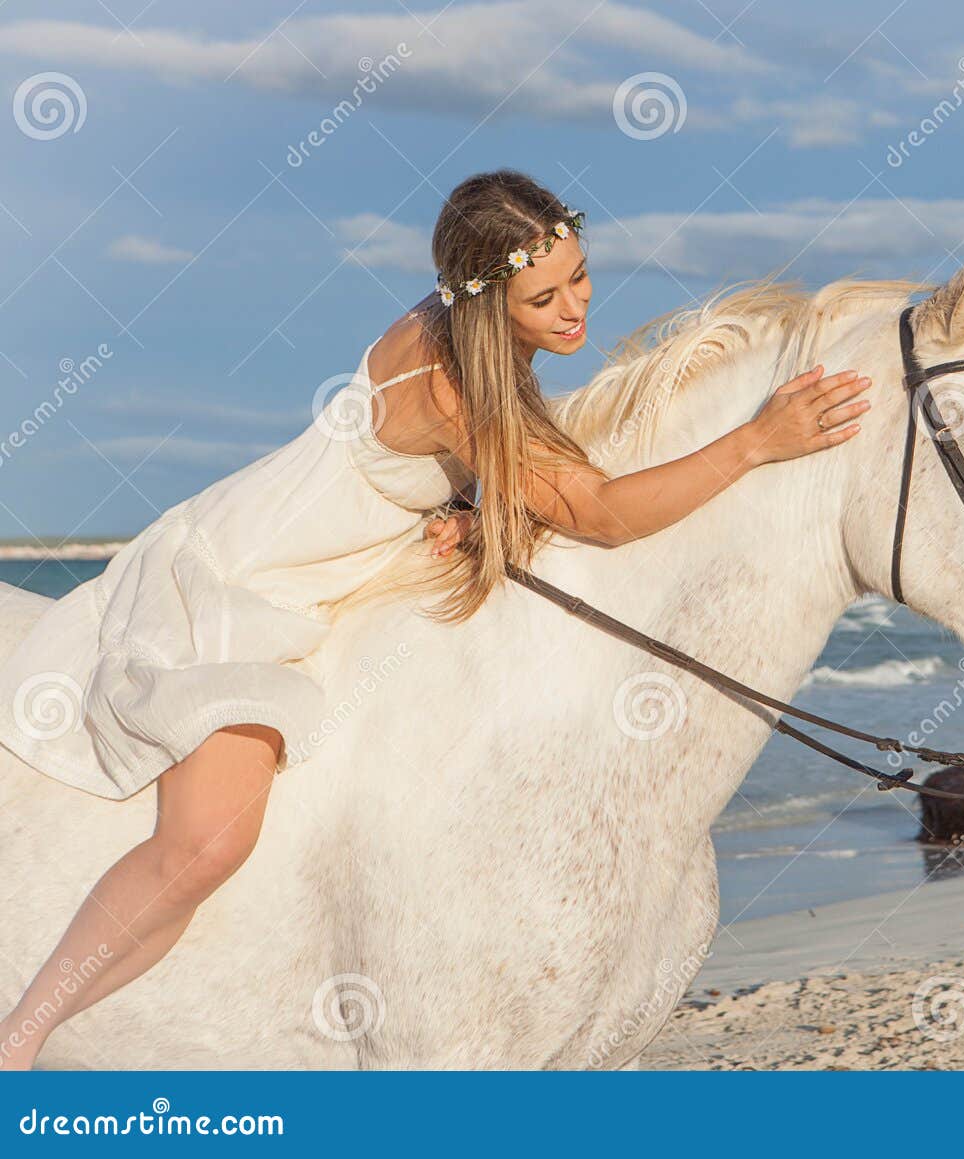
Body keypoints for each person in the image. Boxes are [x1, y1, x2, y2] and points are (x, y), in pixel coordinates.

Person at [0, 169, 873, 1069]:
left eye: (578, 275)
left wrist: (464, 508)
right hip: (247, 581)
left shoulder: (488, 346)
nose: (575, 307)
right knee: (208, 839)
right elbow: (600, 510)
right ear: (485, 299)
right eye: (545, 295)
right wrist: (756, 441)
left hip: (345, 570)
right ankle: (20, 1040)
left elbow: (506, 473)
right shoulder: (452, 378)